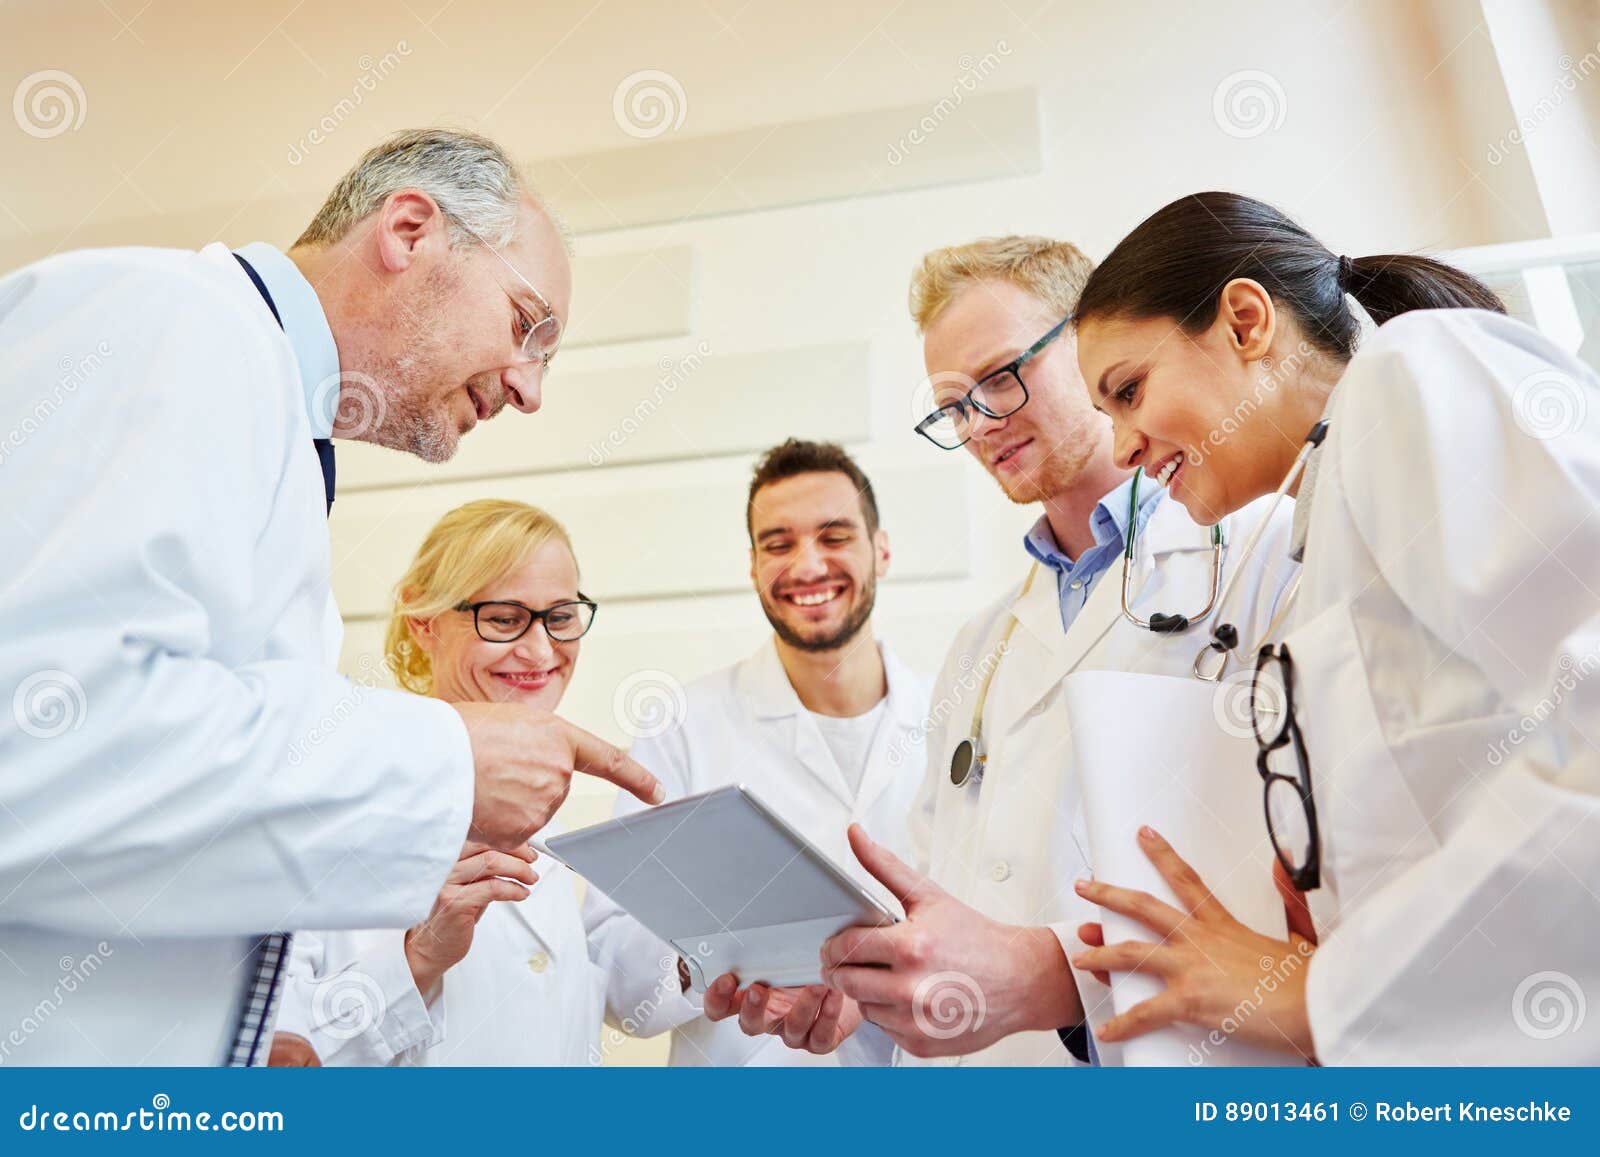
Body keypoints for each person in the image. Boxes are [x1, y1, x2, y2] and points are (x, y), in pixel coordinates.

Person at [0, 129, 660, 1066]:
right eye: (526, 325)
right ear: (410, 229)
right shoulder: (171, 322)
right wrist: (446, 760)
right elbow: (33, 740)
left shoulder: (275, 424)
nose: (529, 388)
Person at [719, 237, 1298, 1065]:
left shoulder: (1258, 549)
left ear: (1087, 339)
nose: (980, 423)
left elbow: (1301, 875)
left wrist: (1055, 973)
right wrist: (862, 990)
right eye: (954, 405)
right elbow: (938, 888)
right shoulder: (979, 647)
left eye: (1000, 378)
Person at [1068, 190, 1600, 1063]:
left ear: (1245, 320)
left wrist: (1325, 991)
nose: (1122, 448)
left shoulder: (1414, 371)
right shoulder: (1311, 552)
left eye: (1128, 390)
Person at [584, 439, 933, 1066]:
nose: (805, 566)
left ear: (881, 548)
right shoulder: (683, 727)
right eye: (778, 544)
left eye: (834, 537)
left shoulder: (955, 719)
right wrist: (714, 966)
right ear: (752, 565)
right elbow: (613, 972)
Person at [275, 500, 616, 1066]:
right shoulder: (334, 798)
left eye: (559, 617)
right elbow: (275, 1058)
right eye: (504, 619)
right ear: (423, 622)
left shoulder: (549, 809)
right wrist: (419, 959)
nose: (539, 652)